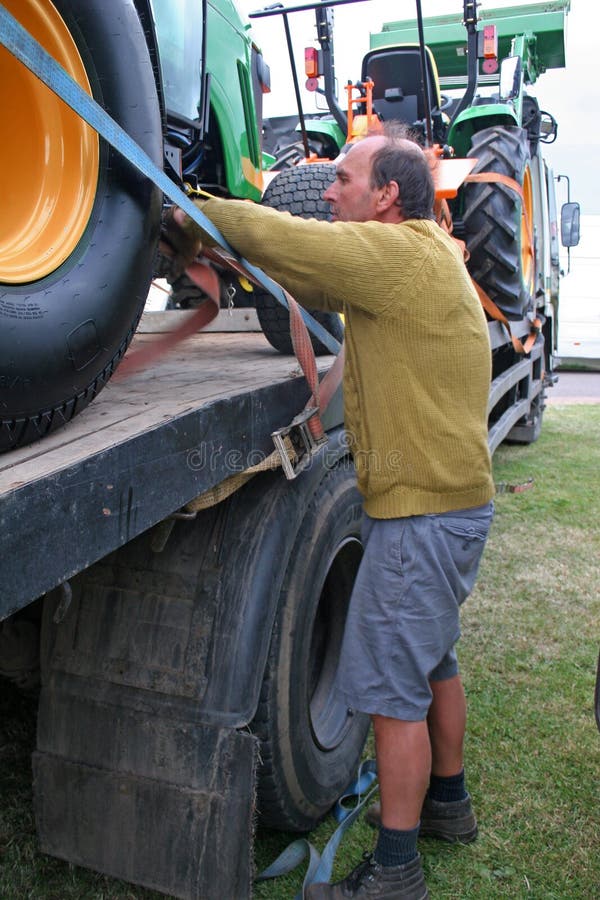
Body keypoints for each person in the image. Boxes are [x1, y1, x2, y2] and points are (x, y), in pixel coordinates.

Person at [162, 134, 495, 899]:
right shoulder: (426, 256)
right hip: (449, 510)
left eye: (341, 180)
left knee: (388, 692)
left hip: (421, 520)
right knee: (433, 660)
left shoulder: (397, 257)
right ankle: (449, 803)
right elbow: (300, 270)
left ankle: (396, 867)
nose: (328, 193)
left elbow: (290, 241)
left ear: (387, 195)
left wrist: (186, 207)